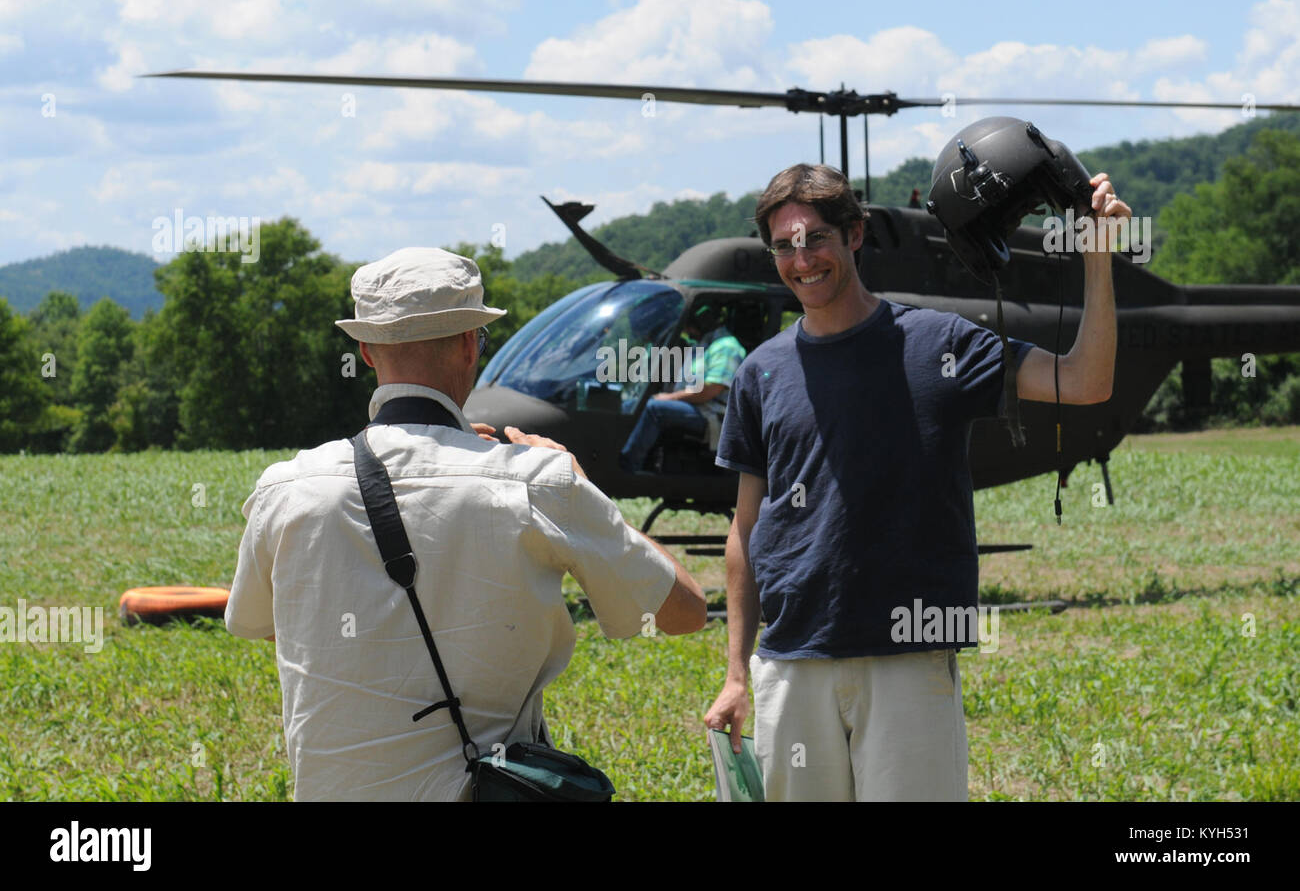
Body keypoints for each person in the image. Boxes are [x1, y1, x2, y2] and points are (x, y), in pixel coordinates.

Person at [704, 163, 1126, 801]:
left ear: (855, 235)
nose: (801, 259)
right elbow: (746, 529)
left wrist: (1097, 258)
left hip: (911, 651)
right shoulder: (760, 373)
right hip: (791, 663)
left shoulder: (938, 344)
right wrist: (737, 673)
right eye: (784, 245)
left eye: (816, 237)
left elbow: (1086, 379)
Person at [226, 246, 706, 801]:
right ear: (467, 344)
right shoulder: (541, 483)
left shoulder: (285, 489)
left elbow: (260, 623)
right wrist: (579, 486)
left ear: (365, 349)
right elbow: (685, 612)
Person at [618, 302, 747, 473]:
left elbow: (711, 389)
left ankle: (627, 468)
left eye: (689, 325)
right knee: (631, 405)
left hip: (711, 414)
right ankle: (617, 454)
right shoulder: (701, 344)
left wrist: (669, 398)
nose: (687, 330)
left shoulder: (726, 347)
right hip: (693, 408)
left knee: (653, 408)